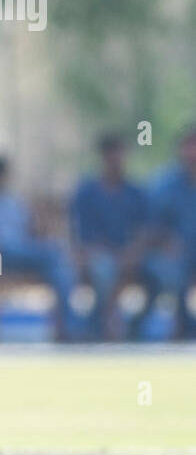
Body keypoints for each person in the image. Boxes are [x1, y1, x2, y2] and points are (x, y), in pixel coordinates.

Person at [0, 155, 76, 340]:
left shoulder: (13, 202)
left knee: (58, 266)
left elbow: (30, 230)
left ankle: (66, 328)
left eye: (1, 175)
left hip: (24, 253)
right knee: (49, 254)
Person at [69, 133, 150, 340]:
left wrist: (132, 252)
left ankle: (130, 325)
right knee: (104, 269)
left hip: (130, 255)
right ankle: (104, 323)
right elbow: (81, 236)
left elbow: (143, 230)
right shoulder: (87, 192)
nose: (116, 159)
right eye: (112, 154)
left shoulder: (135, 192)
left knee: (162, 271)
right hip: (97, 255)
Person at [146, 126, 196, 339]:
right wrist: (166, 242)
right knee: (171, 270)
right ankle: (179, 327)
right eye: (189, 146)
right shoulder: (164, 185)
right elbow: (151, 226)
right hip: (176, 254)